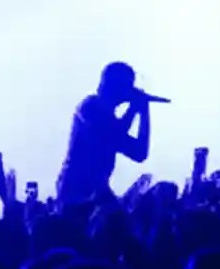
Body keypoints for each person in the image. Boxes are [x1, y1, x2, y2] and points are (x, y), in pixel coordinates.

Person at [57, 62, 154, 206]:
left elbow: (139, 153)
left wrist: (144, 112)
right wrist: (134, 108)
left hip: (98, 190)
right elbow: (112, 134)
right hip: (75, 192)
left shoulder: (109, 118)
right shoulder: (89, 107)